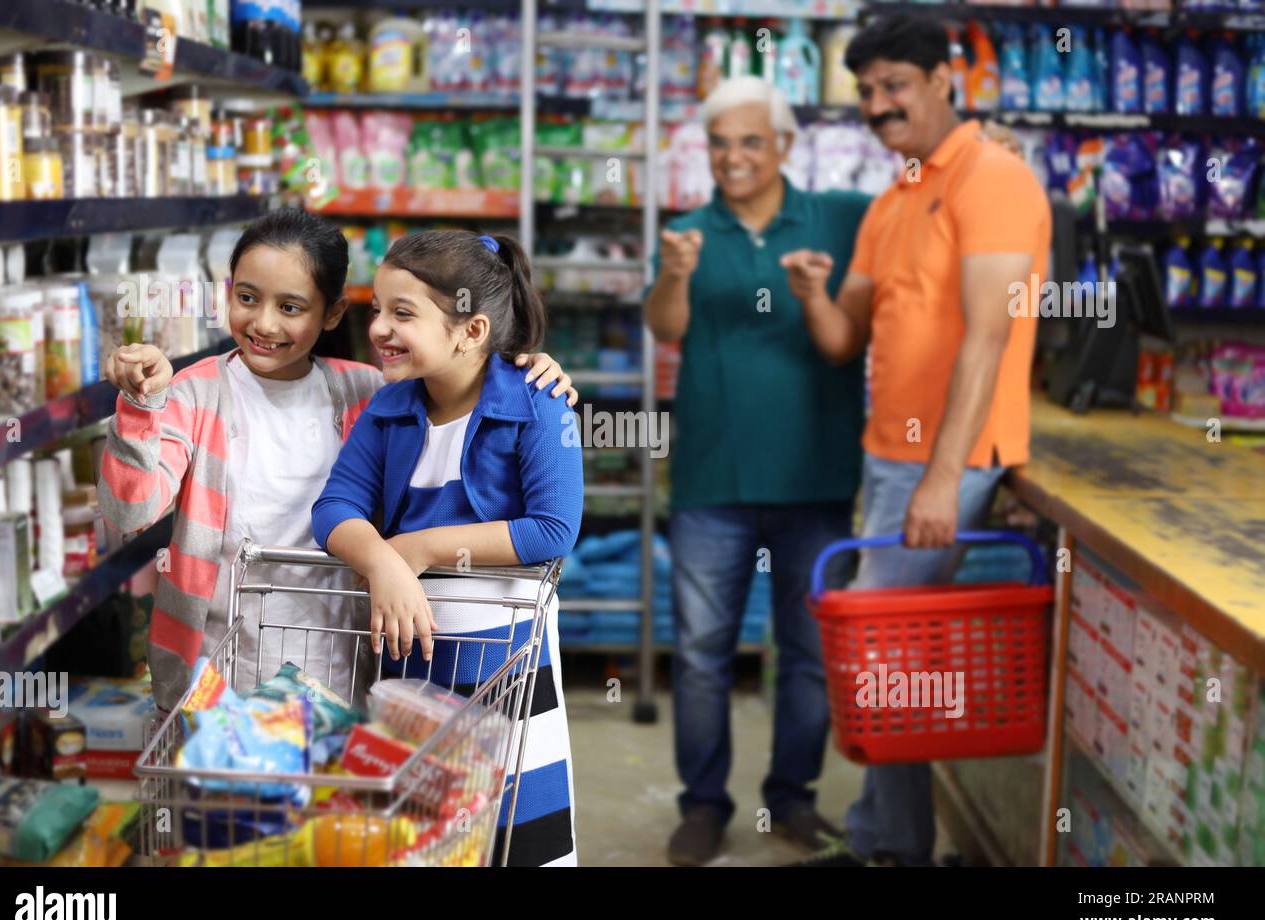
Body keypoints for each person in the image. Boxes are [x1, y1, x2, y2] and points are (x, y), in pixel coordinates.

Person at [98, 208, 578, 714]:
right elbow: (129, 513)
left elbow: (472, 384)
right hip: (215, 666)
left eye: (291, 306)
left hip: (340, 666)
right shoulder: (193, 395)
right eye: (246, 298)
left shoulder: (368, 392)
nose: (263, 322)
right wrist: (141, 407)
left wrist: (527, 367)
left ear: (331, 314)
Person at [783, 15, 1051, 865]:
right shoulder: (895, 197)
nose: (878, 104)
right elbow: (843, 338)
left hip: (949, 459)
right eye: (865, 90)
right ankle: (883, 838)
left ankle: (894, 849)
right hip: (891, 457)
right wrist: (812, 292)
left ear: (943, 80)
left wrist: (942, 478)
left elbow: (989, 336)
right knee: (887, 659)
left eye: (896, 84)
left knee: (884, 660)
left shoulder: (993, 176)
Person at [644, 76, 870, 866]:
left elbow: (924, 221)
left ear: (784, 144)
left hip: (816, 475)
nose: (733, 156)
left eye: (749, 140)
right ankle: (704, 804)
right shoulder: (686, 231)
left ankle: (794, 799)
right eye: (719, 142)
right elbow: (665, 326)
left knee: (807, 652)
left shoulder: (841, 216)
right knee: (702, 653)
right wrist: (674, 272)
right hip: (712, 478)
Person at [311, 231, 583, 867]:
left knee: (516, 831)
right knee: (419, 832)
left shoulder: (540, 405)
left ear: (471, 329)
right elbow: (333, 509)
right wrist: (380, 559)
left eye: (403, 313)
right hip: (410, 664)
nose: (378, 327)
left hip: (509, 671)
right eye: (375, 308)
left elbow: (551, 529)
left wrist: (420, 547)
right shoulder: (388, 409)